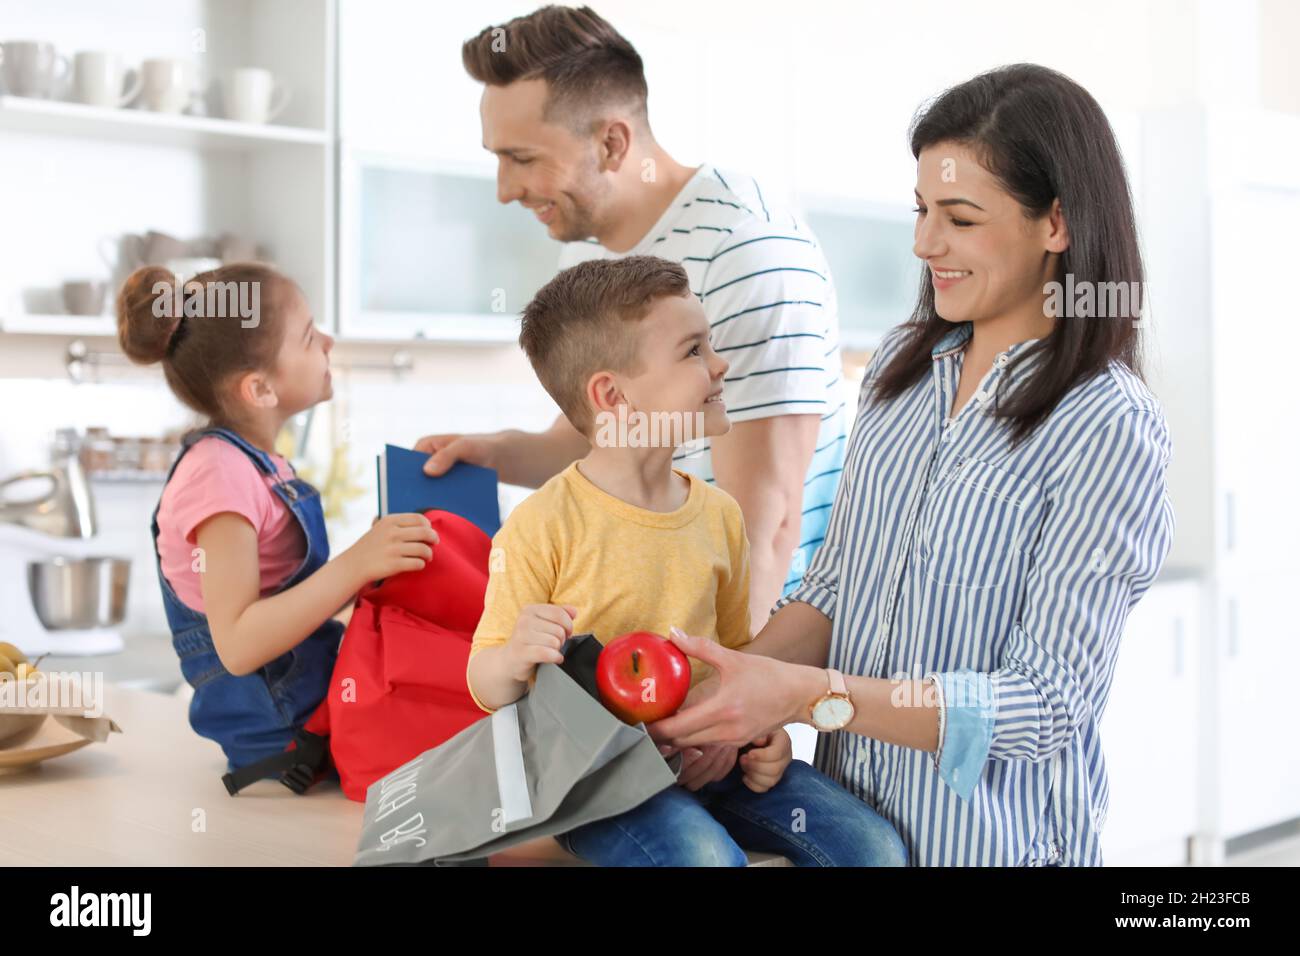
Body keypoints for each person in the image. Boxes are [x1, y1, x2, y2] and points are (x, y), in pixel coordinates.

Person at [648, 63, 1176, 866]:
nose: (927, 243)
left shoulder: (1105, 423)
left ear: (1057, 224)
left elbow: (1046, 705)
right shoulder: (903, 365)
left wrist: (806, 697)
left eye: (960, 218)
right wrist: (733, 688)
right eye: (922, 210)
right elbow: (838, 587)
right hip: (851, 833)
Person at [417, 4, 847, 650]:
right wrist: (498, 454)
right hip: (649, 651)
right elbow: (603, 433)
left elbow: (768, 523)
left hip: (754, 657)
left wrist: (730, 705)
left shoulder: (746, 246)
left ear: (612, 143)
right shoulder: (587, 250)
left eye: (522, 158)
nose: (505, 189)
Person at [466, 255, 907, 866]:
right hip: (602, 784)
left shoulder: (720, 516)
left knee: (874, 848)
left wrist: (761, 736)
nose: (720, 364)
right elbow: (484, 682)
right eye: (693, 350)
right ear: (613, 395)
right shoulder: (541, 524)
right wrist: (514, 655)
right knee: (704, 859)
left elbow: (736, 663)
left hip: (714, 765)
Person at [116, 264, 438, 773]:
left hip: (310, 715)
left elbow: (288, 596)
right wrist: (355, 566)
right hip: (287, 737)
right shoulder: (217, 475)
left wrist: (375, 562)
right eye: (309, 336)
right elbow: (240, 645)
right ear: (260, 389)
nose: (328, 341)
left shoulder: (253, 465)